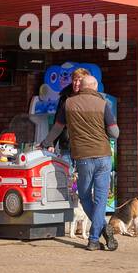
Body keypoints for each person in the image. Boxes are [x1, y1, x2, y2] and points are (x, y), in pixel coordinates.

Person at [40, 73, 119, 251]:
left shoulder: (68, 104)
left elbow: (57, 128)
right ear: (94, 87)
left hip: (82, 158)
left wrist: (45, 143)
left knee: (84, 197)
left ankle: (97, 235)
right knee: (100, 200)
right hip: (104, 156)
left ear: (82, 86)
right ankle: (95, 236)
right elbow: (115, 133)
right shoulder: (103, 104)